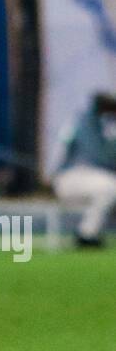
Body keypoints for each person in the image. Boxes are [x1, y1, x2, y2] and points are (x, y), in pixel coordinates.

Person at [52, 93, 116, 247]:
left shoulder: (105, 131)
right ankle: (87, 234)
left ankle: (90, 232)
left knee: (108, 187)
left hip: (94, 179)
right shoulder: (79, 122)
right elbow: (60, 150)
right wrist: (50, 175)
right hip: (71, 177)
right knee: (109, 187)